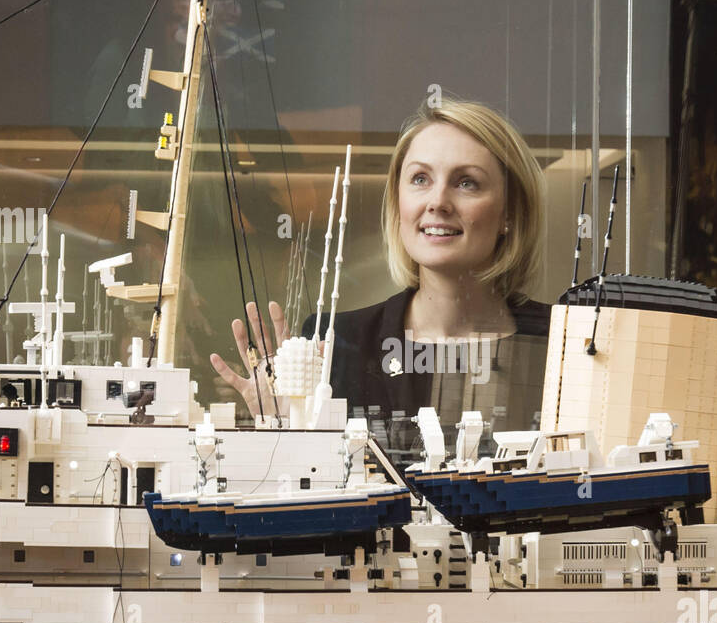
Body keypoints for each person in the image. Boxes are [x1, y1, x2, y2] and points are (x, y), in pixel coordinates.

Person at [210, 98, 552, 451]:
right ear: (397, 201)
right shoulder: (335, 345)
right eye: (420, 178)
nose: (438, 201)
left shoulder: (565, 343)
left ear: (510, 212)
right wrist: (287, 426)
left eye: (466, 183)